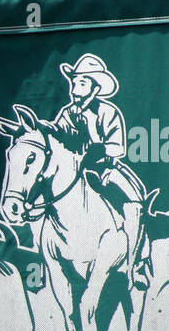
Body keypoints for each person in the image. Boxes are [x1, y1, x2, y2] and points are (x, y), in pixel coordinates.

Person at [53, 53, 150, 290]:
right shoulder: (67, 113)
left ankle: (134, 264)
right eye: (74, 82)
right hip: (74, 171)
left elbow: (118, 148)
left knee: (135, 202)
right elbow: (58, 139)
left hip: (105, 169)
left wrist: (98, 148)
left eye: (82, 83)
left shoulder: (108, 112)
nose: (75, 88)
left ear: (95, 87)